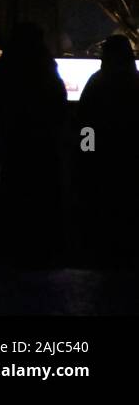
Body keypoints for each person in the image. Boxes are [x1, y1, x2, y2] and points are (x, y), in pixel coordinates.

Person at [0, 22, 67, 268]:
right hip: (43, 143)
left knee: (14, 195)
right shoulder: (45, 66)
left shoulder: (5, 65)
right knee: (42, 196)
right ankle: (41, 250)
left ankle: (13, 250)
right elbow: (58, 101)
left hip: (14, 140)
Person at [77, 35, 139, 267]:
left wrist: (87, 153)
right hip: (130, 160)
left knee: (104, 213)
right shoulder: (135, 82)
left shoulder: (97, 83)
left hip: (103, 160)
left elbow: (85, 124)